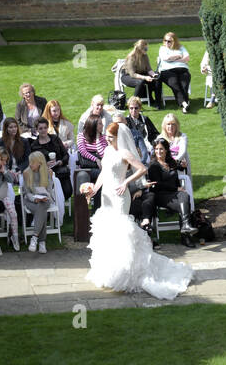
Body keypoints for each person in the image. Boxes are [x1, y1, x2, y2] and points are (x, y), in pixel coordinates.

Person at [81, 124, 193, 299]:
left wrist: (126, 182)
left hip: (119, 196)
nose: (108, 140)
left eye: (111, 137)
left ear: (119, 137)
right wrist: (94, 189)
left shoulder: (125, 153)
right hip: (106, 195)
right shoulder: (109, 151)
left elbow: (142, 169)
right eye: (107, 137)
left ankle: (126, 272)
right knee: (108, 231)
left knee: (121, 231)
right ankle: (110, 271)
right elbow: (104, 172)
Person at [138, 138, 198, 246]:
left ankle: (185, 229)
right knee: (184, 199)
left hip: (174, 195)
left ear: (166, 150)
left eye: (161, 149)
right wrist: (176, 189)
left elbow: (178, 167)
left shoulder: (170, 162)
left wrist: (182, 165)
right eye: (156, 149)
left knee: (184, 197)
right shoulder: (153, 165)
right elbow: (157, 184)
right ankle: (186, 234)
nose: (158, 152)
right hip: (160, 196)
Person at [29, 117, 71, 214]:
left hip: (60, 170)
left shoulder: (55, 139)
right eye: (40, 128)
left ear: (48, 128)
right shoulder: (35, 146)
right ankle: (51, 208)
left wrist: (60, 161)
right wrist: (44, 164)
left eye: (45, 127)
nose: (43, 130)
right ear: (37, 130)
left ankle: (57, 206)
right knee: (51, 192)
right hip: (45, 174)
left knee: (68, 191)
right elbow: (33, 163)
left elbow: (66, 155)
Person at [22, 151, 57, 253]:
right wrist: (34, 199)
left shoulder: (48, 172)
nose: (30, 164)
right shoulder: (26, 173)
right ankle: (41, 242)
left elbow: (49, 190)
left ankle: (34, 237)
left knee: (42, 206)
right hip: (30, 200)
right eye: (30, 162)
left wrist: (44, 197)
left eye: (32, 162)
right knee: (41, 211)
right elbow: (27, 193)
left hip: (45, 200)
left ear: (40, 163)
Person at [121, 40, 164, 109]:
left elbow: (149, 69)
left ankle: (158, 103)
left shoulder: (145, 56)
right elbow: (133, 74)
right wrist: (145, 77)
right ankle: (133, 104)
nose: (147, 50)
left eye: (147, 48)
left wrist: (153, 75)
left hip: (141, 73)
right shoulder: (131, 57)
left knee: (157, 79)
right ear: (139, 49)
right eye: (145, 49)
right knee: (140, 82)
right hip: (128, 76)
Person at [157, 32, 192, 113]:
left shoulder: (181, 47)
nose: (166, 43)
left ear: (174, 41)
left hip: (182, 69)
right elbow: (165, 58)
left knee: (184, 84)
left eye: (169, 41)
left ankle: (184, 106)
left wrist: (173, 59)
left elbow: (187, 58)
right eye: (165, 40)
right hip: (167, 70)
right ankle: (185, 104)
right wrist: (179, 56)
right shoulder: (162, 48)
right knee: (175, 83)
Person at [125, 97, 158, 165]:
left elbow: (155, 133)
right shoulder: (126, 121)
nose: (134, 110)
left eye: (136, 108)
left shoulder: (145, 119)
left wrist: (153, 143)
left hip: (147, 145)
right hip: (134, 147)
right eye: (131, 108)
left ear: (140, 108)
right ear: (128, 109)